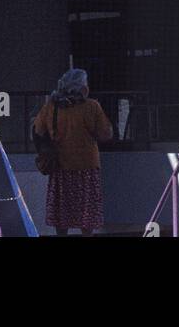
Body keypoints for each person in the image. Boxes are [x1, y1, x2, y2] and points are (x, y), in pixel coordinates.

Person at [33, 67, 113, 236]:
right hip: (87, 168)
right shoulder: (92, 107)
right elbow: (106, 134)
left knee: (62, 216)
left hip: (61, 167)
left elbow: (38, 130)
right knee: (87, 214)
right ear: (82, 88)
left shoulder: (51, 107)